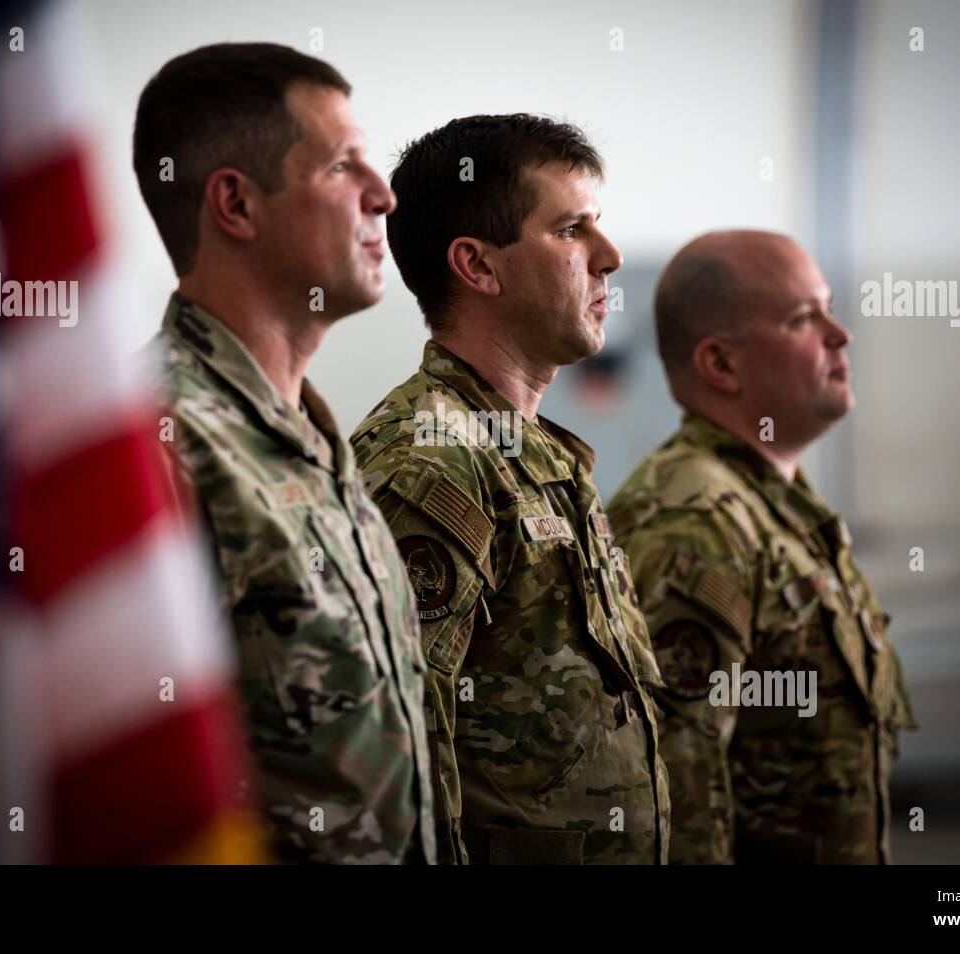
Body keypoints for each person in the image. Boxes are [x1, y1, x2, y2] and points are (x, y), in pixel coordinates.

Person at [133, 43, 435, 864]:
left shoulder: (316, 440)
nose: (386, 194)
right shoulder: (158, 441)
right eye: (345, 167)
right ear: (236, 203)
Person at [351, 114, 669, 864]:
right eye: (572, 231)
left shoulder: (537, 455)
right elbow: (394, 763)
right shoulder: (428, 463)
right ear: (479, 267)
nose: (611, 257)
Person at [608, 229, 917, 864]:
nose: (841, 334)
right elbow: (677, 795)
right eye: (805, 318)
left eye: (828, 307)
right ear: (720, 364)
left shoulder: (779, 505)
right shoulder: (693, 519)